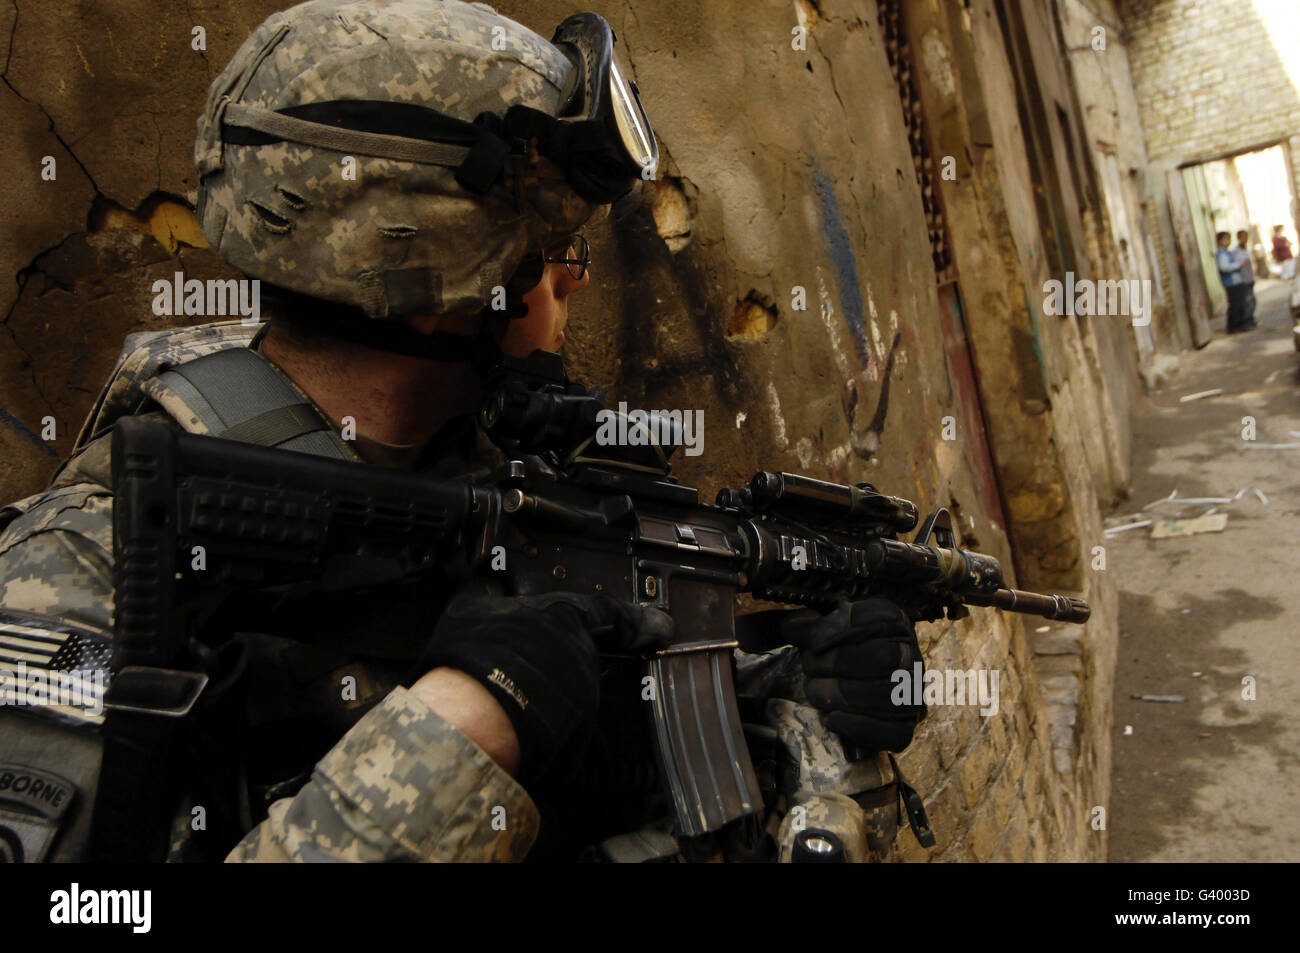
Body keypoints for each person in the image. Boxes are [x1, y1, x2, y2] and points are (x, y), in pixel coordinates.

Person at [0, 0, 923, 863]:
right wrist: (465, 724)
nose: (577, 280)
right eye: (554, 248)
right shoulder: (85, 572)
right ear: (437, 279)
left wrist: (792, 699)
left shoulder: (497, 485)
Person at [1215, 231, 1252, 333]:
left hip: (1236, 281)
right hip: (1230, 282)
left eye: (1229, 239)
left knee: (1240, 303)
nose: (1228, 241)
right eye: (1226, 239)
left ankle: (1240, 324)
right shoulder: (1221, 253)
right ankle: (1233, 326)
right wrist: (1238, 265)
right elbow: (1224, 267)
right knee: (1235, 305)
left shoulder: (1227, 252)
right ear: (1220, 241)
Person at [1234, 230, 1258, 330]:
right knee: (1248, 301)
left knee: (1252, 300)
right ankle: (1246, 321)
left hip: (1249, 278)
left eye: (1246, 237)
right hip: (1243, 280)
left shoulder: (1246, 249)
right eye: (1243, 237)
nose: (1245, 239)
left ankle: (1250, 319)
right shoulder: (1236, 251)